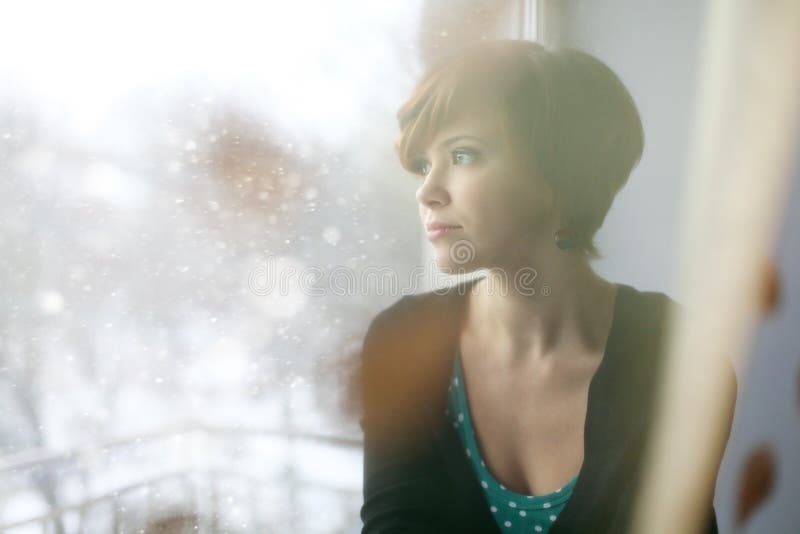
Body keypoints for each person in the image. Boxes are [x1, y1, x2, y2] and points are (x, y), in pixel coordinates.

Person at [356, 39, 735, 533]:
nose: (427, 192)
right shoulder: (401, 340)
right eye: (425, 165)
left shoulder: (678, 355)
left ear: (561, 174)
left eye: (464, 155)